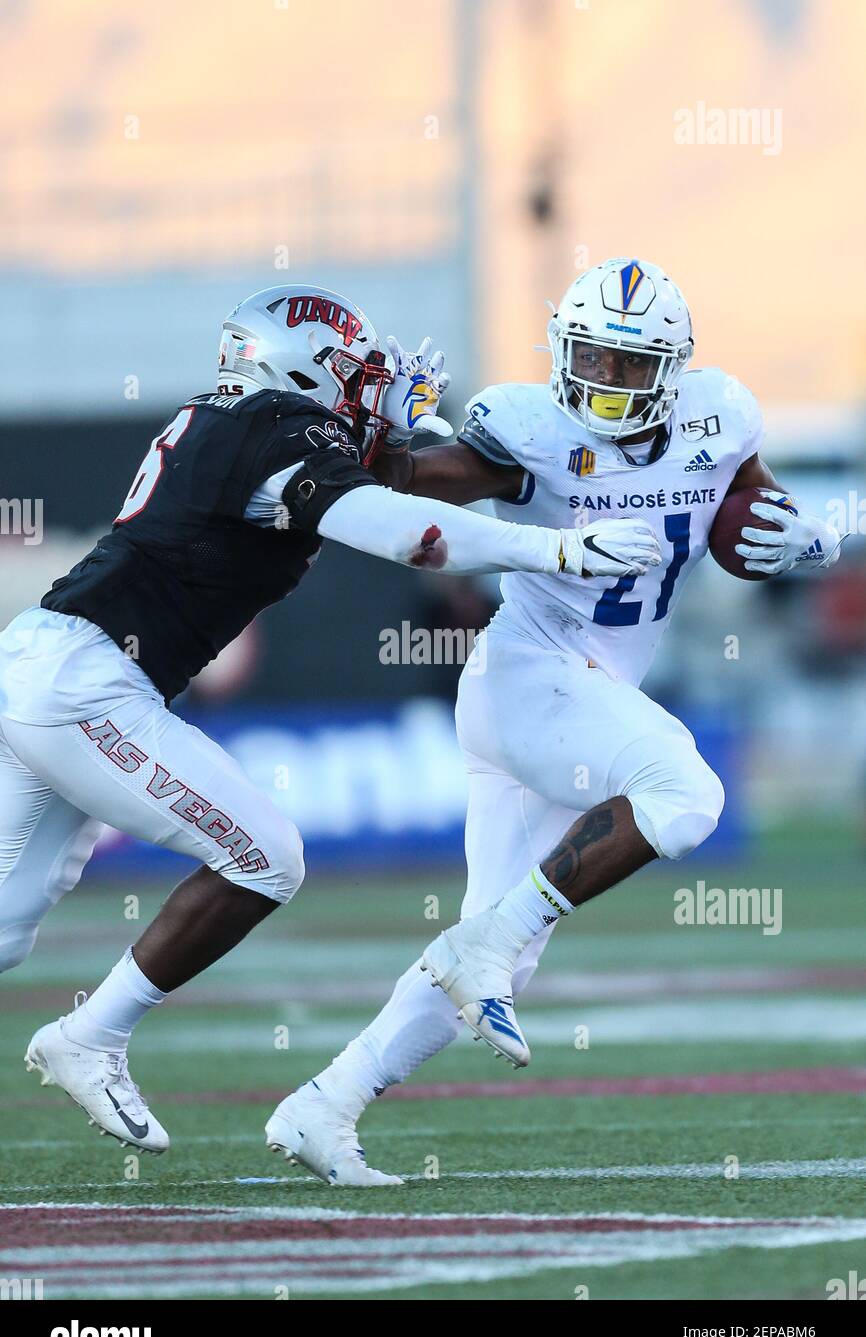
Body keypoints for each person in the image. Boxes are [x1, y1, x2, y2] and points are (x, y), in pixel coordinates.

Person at [0, 283, 660, 1178]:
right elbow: (406, 535)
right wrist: (556, 549)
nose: (371, 389)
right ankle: (91, 1034)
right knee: (265, 855)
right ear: (301, 366)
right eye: (355, 373)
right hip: (87, 683)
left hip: (54, 664)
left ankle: (89, 1035)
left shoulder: (235, 421)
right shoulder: (276, 420)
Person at [270, 257, 844, 1186]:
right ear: (560, 349)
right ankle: (489, 941)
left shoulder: (720, 412)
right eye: (594, 359)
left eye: (630, 365)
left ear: (675, 367)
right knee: (687, 793)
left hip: (573, 699)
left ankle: (324, 1105)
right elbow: (420, 480)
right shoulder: (526, 425)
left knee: (494, 967)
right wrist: (394, 426)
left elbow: (749, 508)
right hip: (531, 676)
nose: (608, 383)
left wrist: (807, 536)